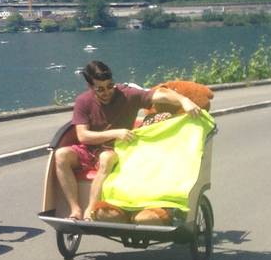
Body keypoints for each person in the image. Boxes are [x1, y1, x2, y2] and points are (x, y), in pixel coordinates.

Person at [53, 61, 203, 220]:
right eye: (100, 89)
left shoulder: (127, 93)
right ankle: (75, 210)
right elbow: (83, 136)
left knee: (106, 157)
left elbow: (162, 95)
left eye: (110, 86)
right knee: (61, 154)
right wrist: (114, 133)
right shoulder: (83, 100)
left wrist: (184, 100)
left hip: (119, 150)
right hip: (91, 149)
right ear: (90, 86)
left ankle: (90, 210)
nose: (107, 92)